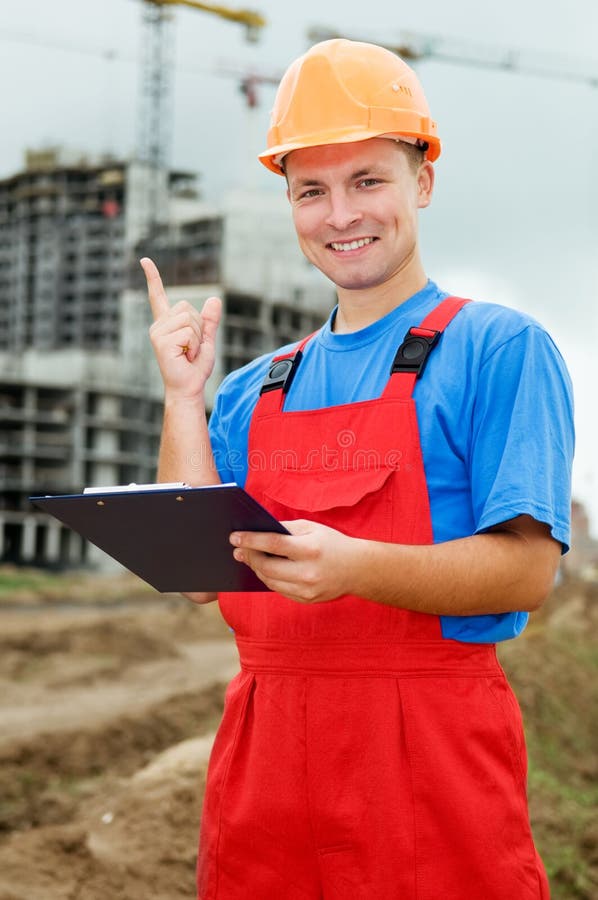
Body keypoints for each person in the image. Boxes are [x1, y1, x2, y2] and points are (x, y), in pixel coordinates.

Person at [141, 38, 574, 900]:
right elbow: (194, 579)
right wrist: (183, 398)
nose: (340, 214)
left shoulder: (497, 349)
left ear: (423, 181)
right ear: (291, 202)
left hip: (427, 760)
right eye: (312, 190)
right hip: (265, 769)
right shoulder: (250, 388)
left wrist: (355, 567)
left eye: (367, 181)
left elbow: (528, 569)